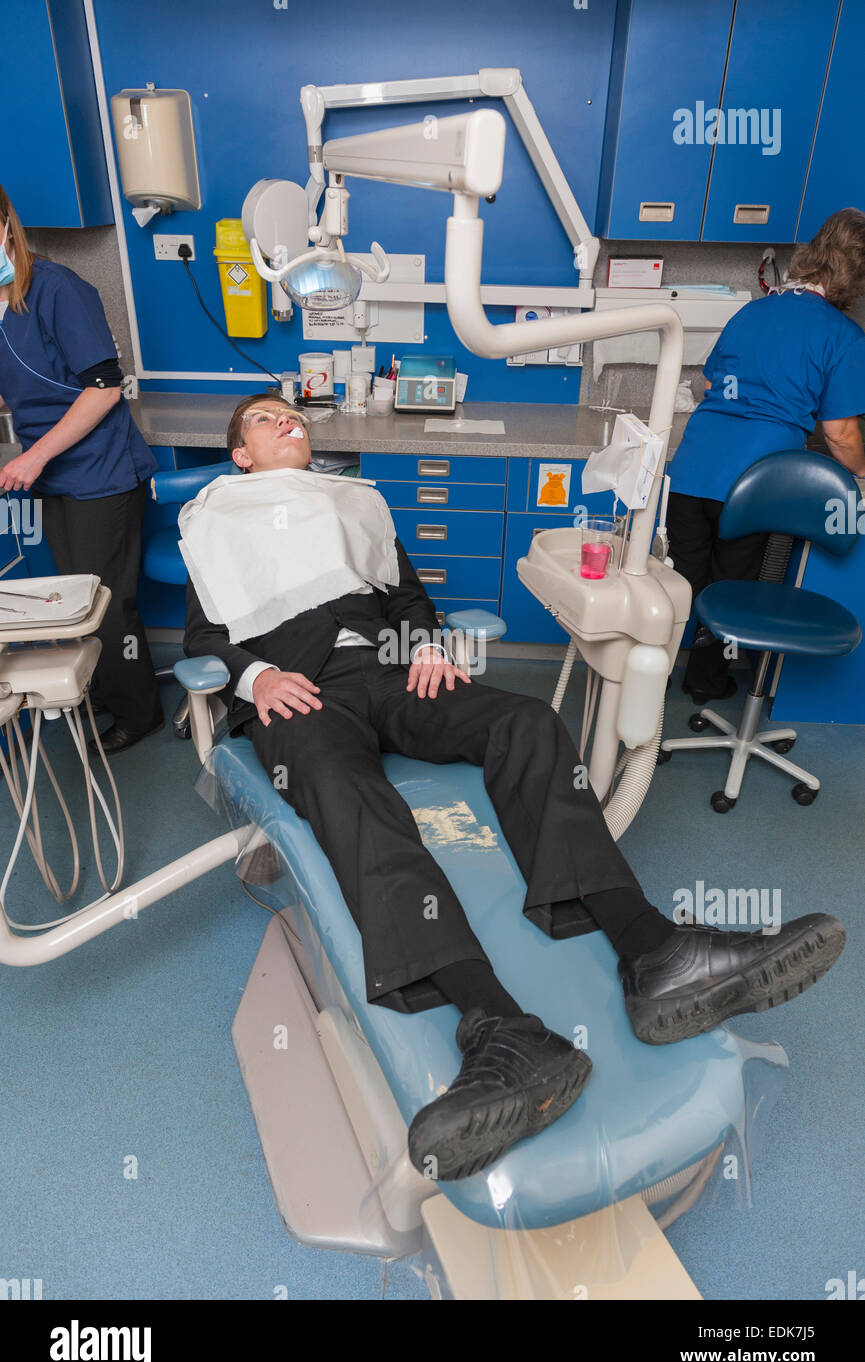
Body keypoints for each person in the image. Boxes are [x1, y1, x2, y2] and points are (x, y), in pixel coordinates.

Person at [183, 393, 846, 1181]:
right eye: (263, 417)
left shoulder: (351, 502)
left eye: (293, 412)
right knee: (351, 795)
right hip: (299, 692)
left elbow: (402, 596)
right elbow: (203, 636)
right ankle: (500, 1029)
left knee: (526, 723)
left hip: (392, 671)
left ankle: (653, 952)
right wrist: (255, 677)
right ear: (240, 455)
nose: (286, 418)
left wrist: (422, 642)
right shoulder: (213, 522)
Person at [668, 208, 865, 704]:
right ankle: (705, 681)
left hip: (694, 466)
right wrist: (862, 473)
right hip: (753, 483)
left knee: (678, 583)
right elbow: (840, 433)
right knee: (728, 586)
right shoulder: (842, 335)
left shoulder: (752, 311)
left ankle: (650, 680)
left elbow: (711, 382)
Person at [0, 185, 163, 752]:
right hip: (53, 471)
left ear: (5, 226)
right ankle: (103, 687)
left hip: (98, 469)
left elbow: (103, 389)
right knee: (73, 598)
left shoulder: (58, 289)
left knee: (107, 601)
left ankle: (140, 711)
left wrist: (35, 455)